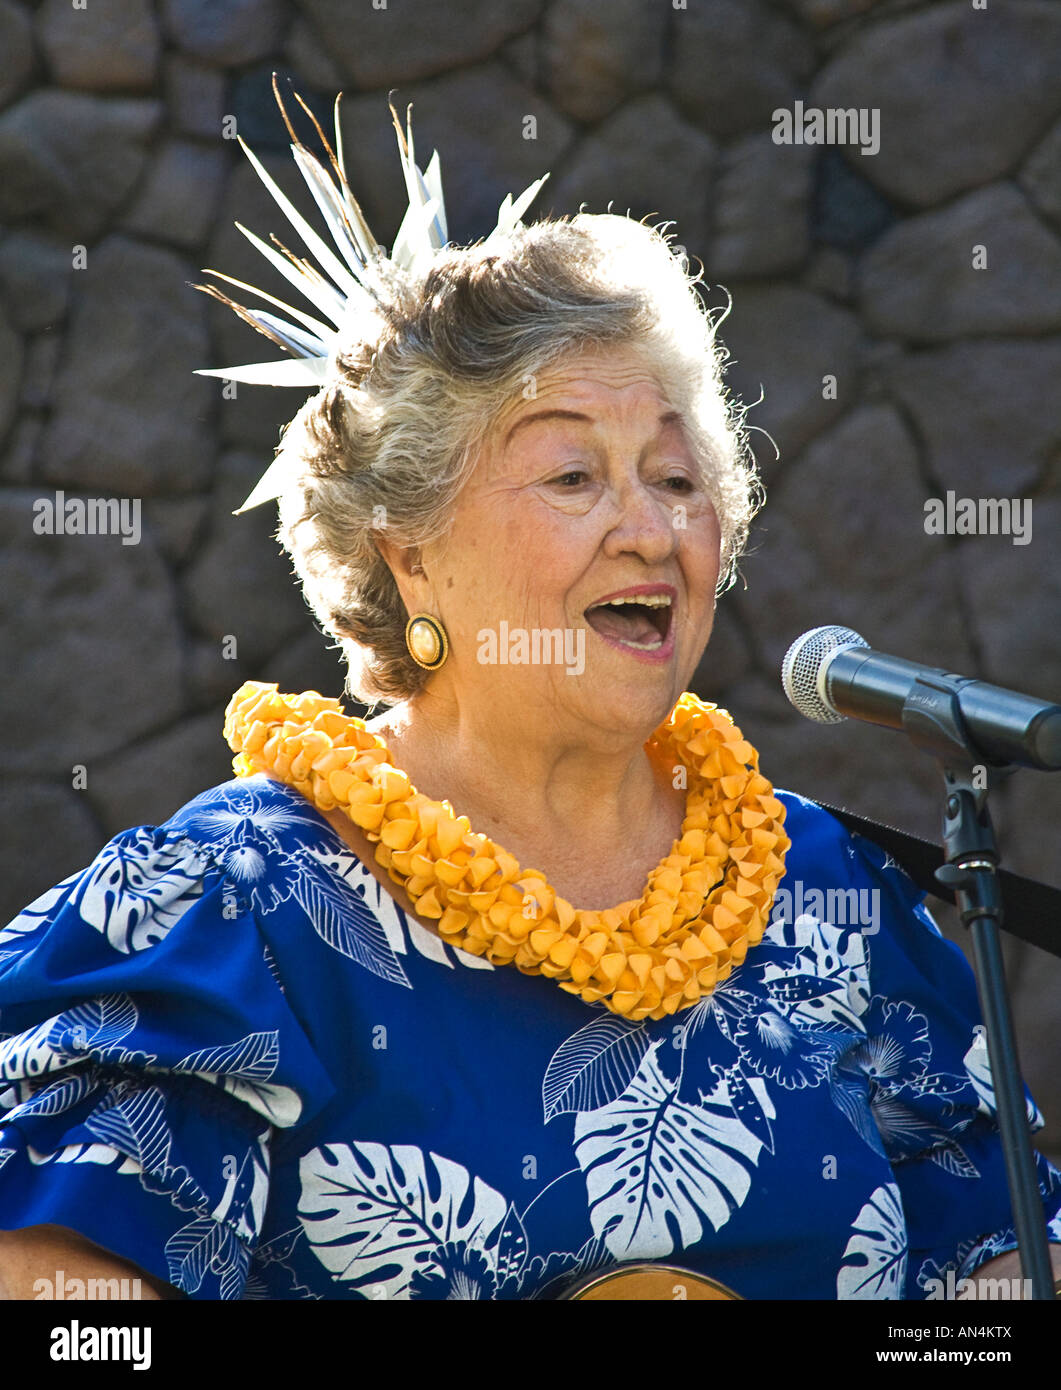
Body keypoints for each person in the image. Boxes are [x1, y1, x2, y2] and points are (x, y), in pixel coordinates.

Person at [1, 93, 1059, 1303]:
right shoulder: (234, 906)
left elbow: (999, 1270)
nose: (651, 528)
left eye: (676, 474)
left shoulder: (827, 898)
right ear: (408, 551)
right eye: (571, 473)